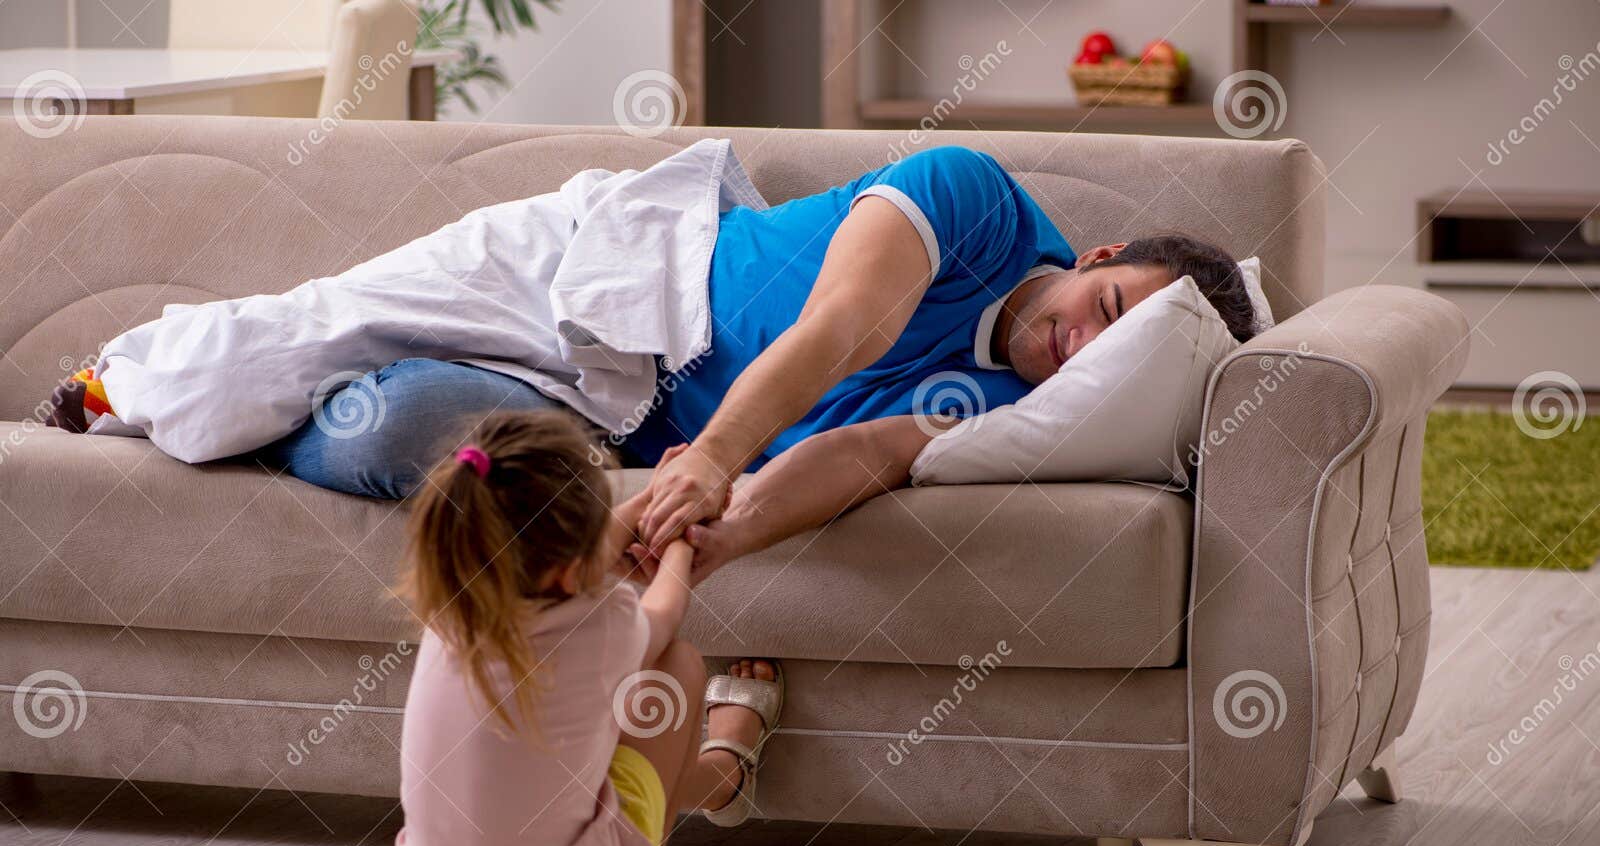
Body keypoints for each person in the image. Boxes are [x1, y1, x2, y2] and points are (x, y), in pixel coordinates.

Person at [45, 147, 1254, 552]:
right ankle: (123, 382)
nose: (1081, 344)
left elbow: (862, 455)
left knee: (387, 427)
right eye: (1113, 306)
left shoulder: (1004, 411)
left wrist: (708, 538)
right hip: (595, 272)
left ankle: (297, 425)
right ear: (1099, 257)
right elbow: (848, 328)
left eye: (1112, 355)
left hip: (614, 425)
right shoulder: (974, 199)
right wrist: (720, 453)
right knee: (299, 338)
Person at [394, 410, 783, 846]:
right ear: (570, 567)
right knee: (673, 667)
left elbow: (553, 555)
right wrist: (679, 532)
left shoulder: (450, 605)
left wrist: (652, 496)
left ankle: (718, 784)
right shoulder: (600, 628)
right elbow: (666, 609)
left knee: (570, 738)